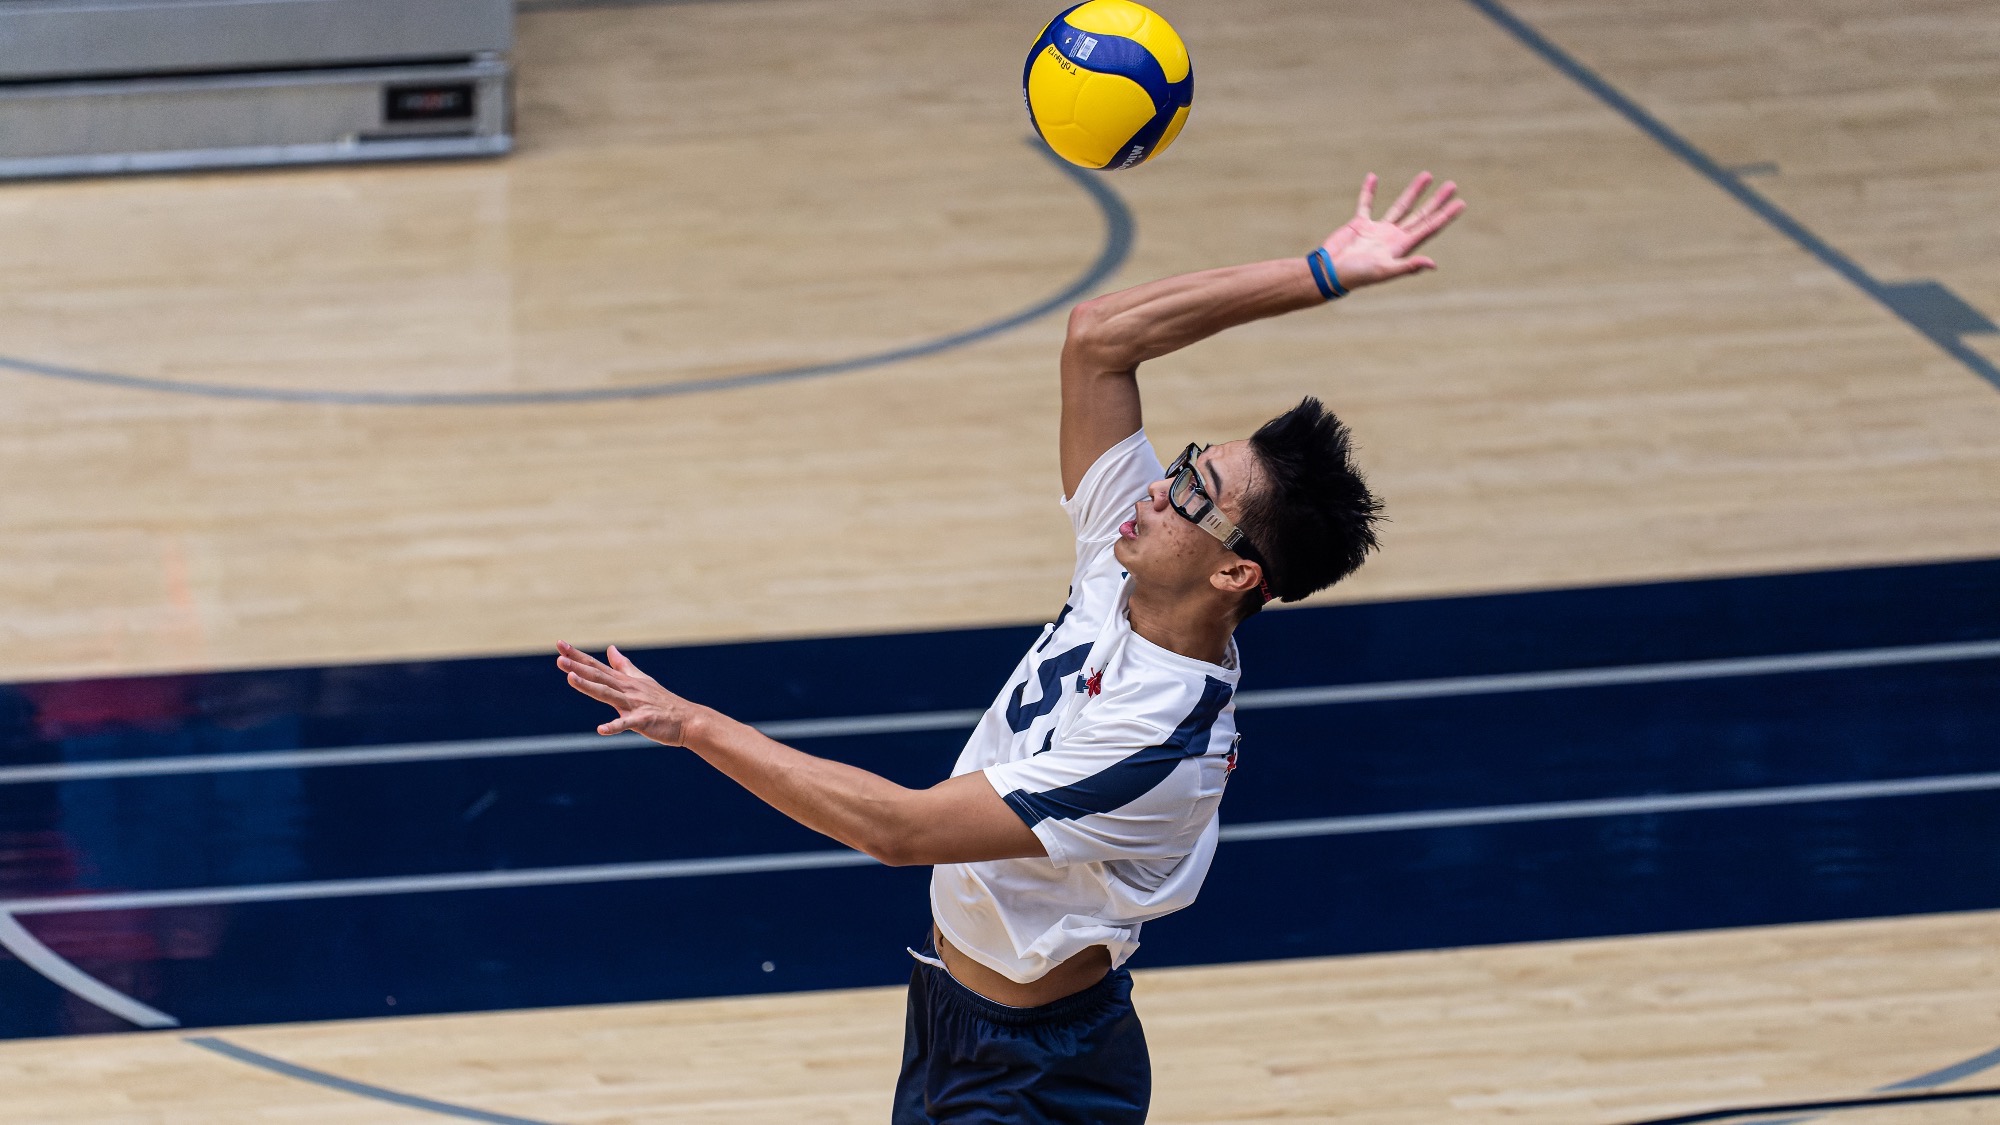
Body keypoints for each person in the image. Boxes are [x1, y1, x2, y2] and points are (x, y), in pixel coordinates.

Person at [555, 170, 1465, 1124]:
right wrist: (1322, 269)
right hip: (959, 1018)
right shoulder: (1132, 561)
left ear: (1236, 574)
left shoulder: (1157, 746)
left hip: (1034, 1076)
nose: (1160, 488)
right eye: (1187, 462)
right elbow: (1101, 339)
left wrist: (694, 722)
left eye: (1196, 495)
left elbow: (899, 830)